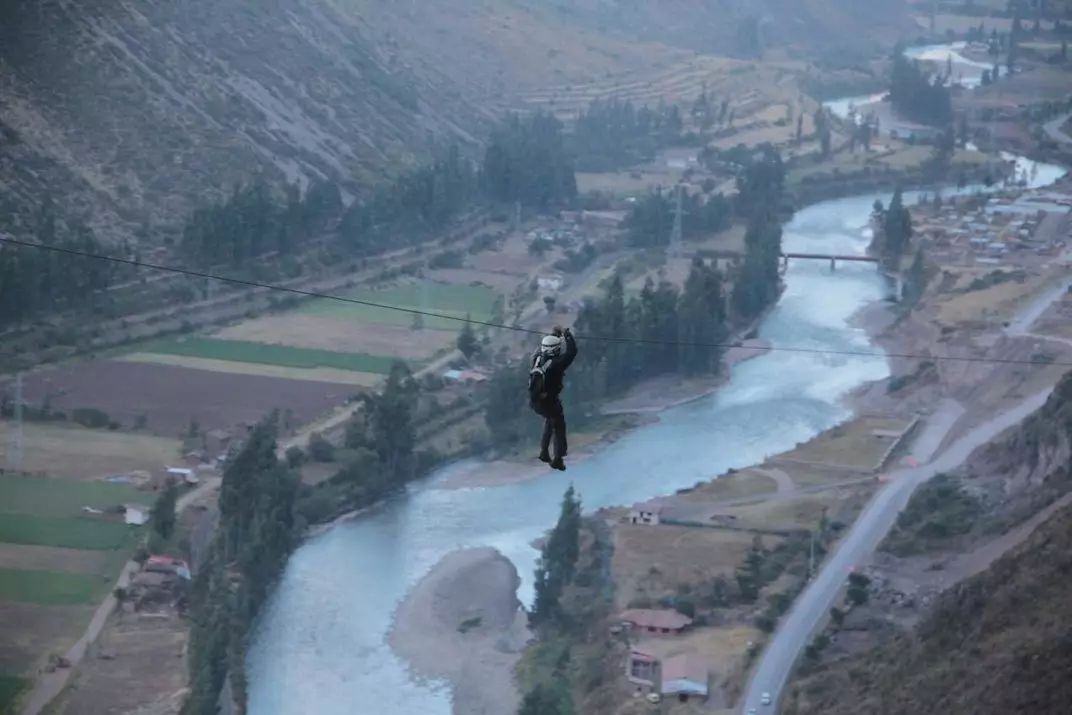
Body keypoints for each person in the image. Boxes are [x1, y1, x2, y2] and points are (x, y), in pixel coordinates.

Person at [528, 325, 577, 471]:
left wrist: (554, 335)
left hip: (535, 401)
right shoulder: (555, 365)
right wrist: (567, 336)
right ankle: (558, 458)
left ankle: (544, 452)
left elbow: (545, 344)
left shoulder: (537, 357)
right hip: (548, 401)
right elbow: (572, 352)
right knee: (559, 426)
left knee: (550, 421)